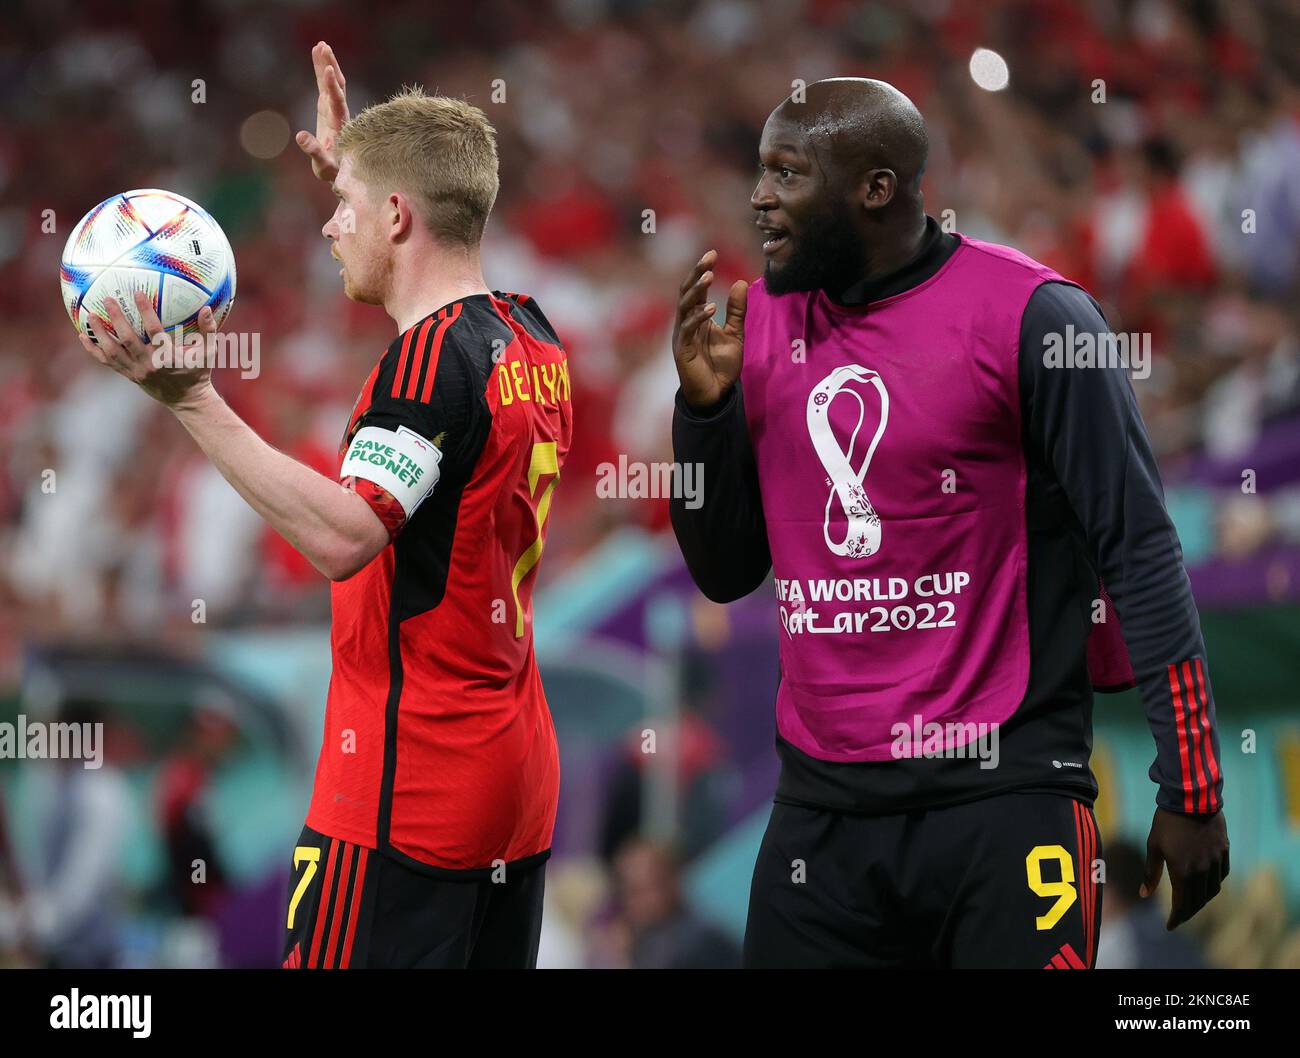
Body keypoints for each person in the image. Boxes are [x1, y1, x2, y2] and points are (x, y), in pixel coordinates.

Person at [669, 78, 1229, 968]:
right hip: (821, 817)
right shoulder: (759, 323)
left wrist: (1191, 786)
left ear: (875, 188)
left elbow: (1141, 548)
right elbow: (726, 569)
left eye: (786, 173)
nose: (758, 197)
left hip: (1003, 801)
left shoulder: (1037, 319)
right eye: (759, 171)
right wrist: (701, 415)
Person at [76, 42, 573, 968]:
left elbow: (347, 536)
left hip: (404, 789)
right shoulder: (531, 334)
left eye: (343, 209)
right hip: (513, 778)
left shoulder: (428, 361)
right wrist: (357, 175)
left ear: (396, 214)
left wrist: (193, 400)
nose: (324, 227)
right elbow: (434, 288)